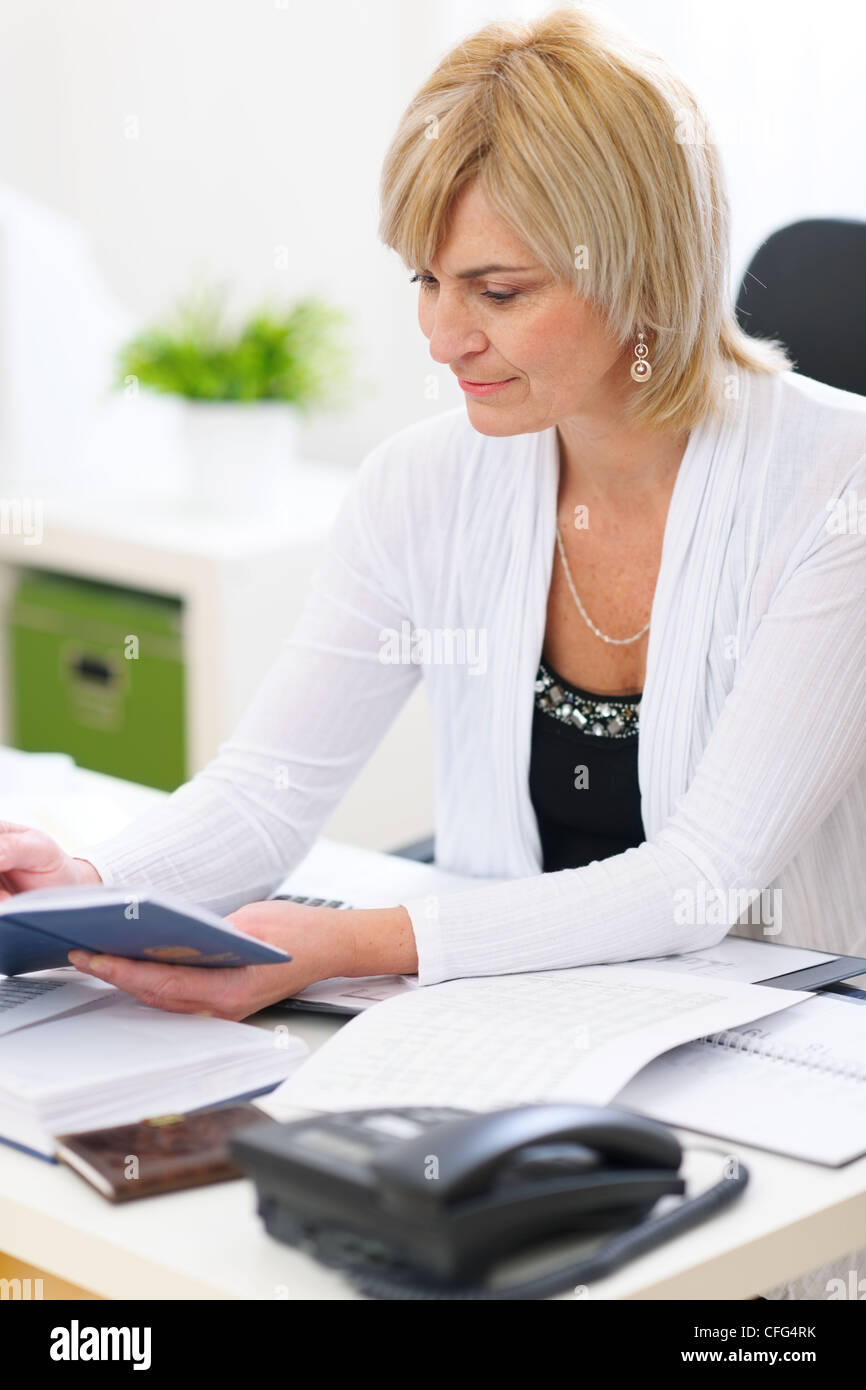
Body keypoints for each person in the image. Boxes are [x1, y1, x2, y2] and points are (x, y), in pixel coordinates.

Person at [1, 7, 864, 1300]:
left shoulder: (830, 485)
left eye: (496, 292)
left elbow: (700, 874)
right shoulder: (425, 484)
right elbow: (267, 789)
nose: (438, 335)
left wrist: (346, 942)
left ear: (641, 271)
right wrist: (95, 881)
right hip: (511, 1041)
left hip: (778, 1080)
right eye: (423, 279)